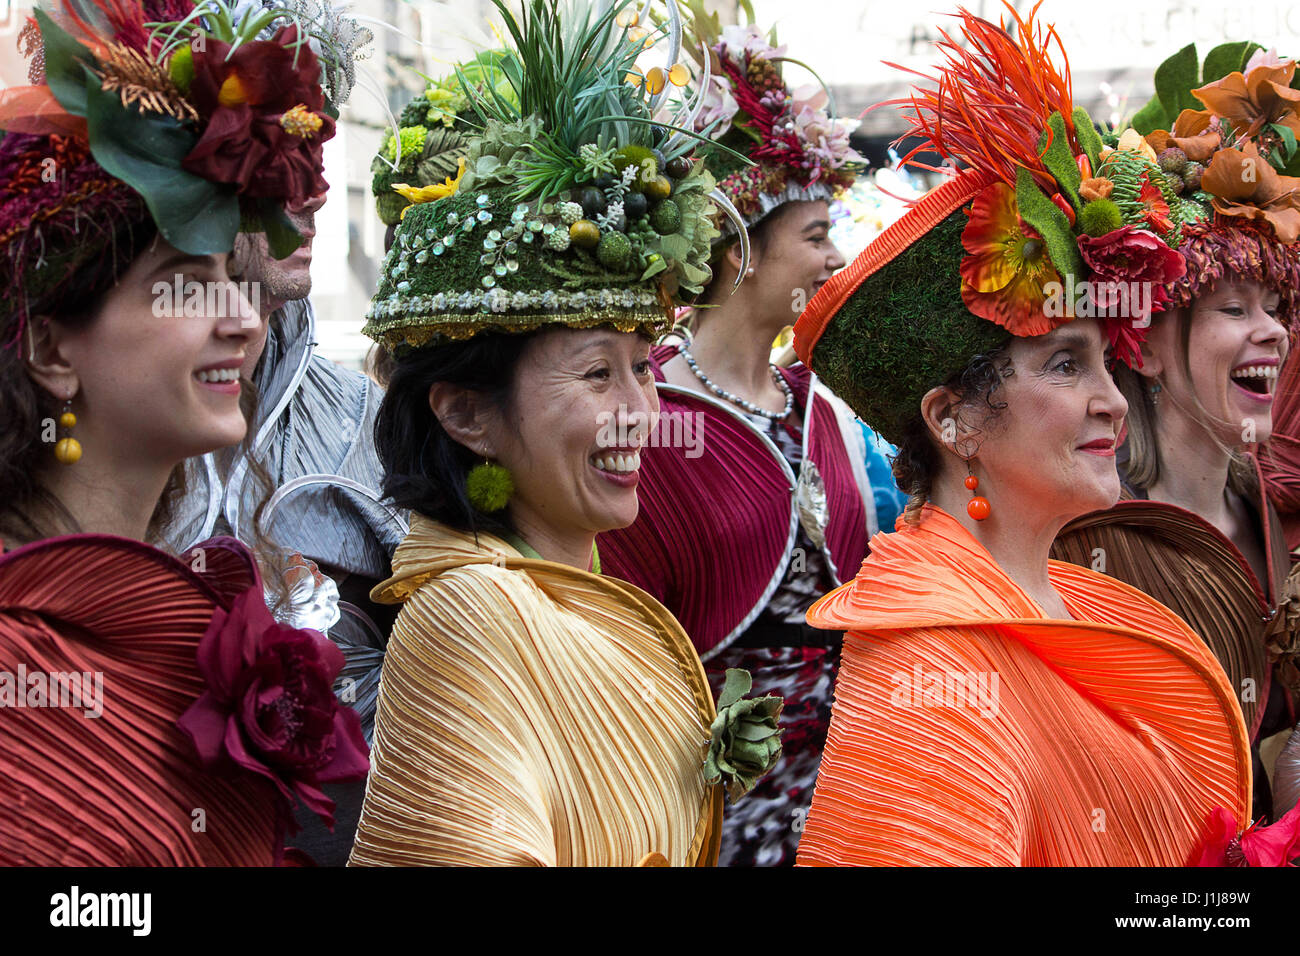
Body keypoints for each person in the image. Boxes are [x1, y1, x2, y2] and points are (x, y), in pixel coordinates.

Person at [792, 4, 1300, 865]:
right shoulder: (932, 676)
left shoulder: (1091, 602)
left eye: (1106, 362)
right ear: (951, 420)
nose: (1112, 400)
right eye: (1065, 366)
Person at [347, 0, 781, 867]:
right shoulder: (471, 613)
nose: (641, 413)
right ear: (467, 414)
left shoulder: (566, 593)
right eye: (595, 373)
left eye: (645, 368)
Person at [0, 0, 367, 864]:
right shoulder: (24, 654)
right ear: (53, 346)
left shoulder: (186, 613)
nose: (240, 319)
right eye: (181, 282)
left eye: (226, 278)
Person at [596, 15, 873, 867]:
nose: (836, 259)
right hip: (702, 812)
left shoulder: (819, 410)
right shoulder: (652, 411)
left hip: (843, 804)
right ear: (741, 249)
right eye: (816, 236)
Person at [1052, 42, 1300, 825]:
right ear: (1148, 348)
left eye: (1275, 307)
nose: (1272, 334)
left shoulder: (1279, 510)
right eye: (1233, 310)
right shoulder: (1091, 551)